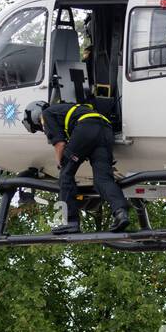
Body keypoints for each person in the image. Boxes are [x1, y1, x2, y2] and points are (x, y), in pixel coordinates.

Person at [40, 100, 129, 235]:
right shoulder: (72, 108)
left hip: (86, 127)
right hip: (105, 129)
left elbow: (59, 144)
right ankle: (120, 213)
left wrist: (60, 162)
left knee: (65, 174)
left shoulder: (46, 114)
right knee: (103, 180)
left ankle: (71, 222)